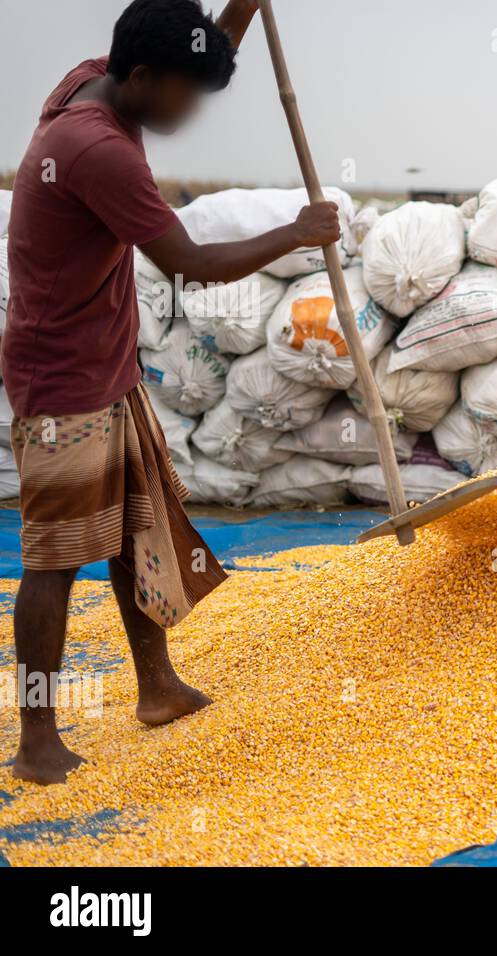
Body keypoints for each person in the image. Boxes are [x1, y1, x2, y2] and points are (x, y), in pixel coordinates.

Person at [2, 0, 342, 784]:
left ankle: (156, 688)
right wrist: (296, 234)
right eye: (186, 95)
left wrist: (240, 11)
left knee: (135, 530)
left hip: (107, 365)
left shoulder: (102, 79)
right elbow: (193, 263)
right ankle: (36, 739)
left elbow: (194, 51)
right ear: (145, 77)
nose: (192, 112)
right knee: (55, 560)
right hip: (62, 379)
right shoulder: (96, 150)